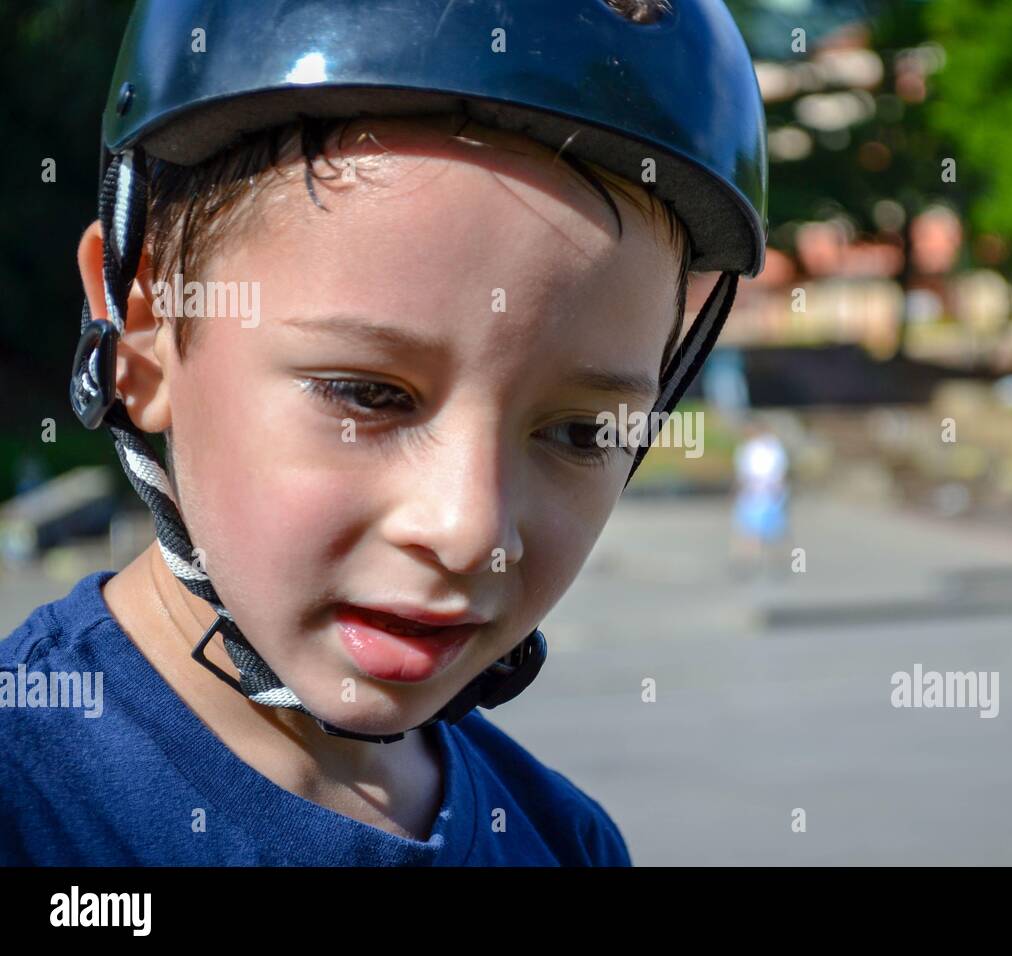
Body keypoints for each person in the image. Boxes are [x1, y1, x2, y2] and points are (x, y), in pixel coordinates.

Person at [0, 0, 767, 865]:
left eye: (583, 431)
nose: (471, 532)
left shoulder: (568, 843)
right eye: (369, 394)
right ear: (140, 340)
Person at [730, 418, 791, 577]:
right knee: (749, 531)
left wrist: (777, 491)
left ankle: (776, 563)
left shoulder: (772, 446)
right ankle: (748, 563)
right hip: (751, 494)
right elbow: (742, 473)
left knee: (773, 532)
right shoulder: (747, 447)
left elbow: (779, 471)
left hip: (769, 494)